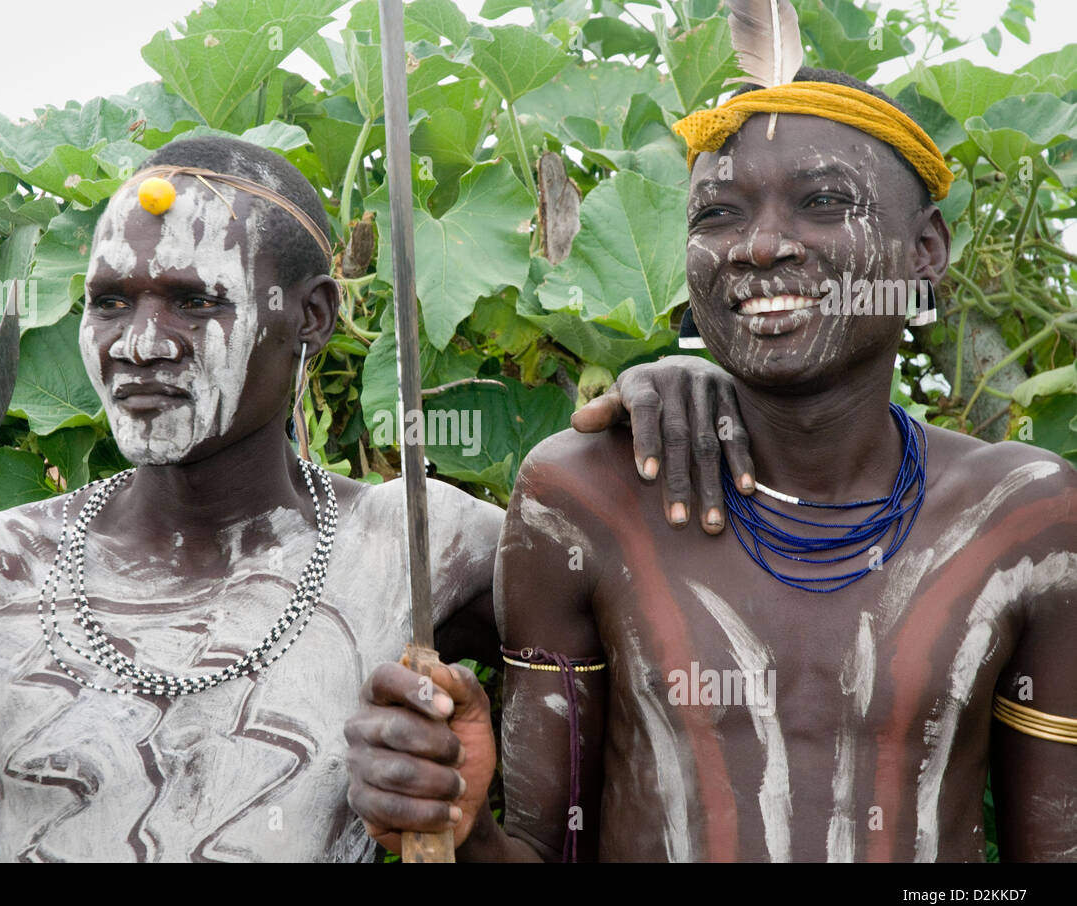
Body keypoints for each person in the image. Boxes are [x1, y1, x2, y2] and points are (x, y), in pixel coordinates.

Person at [0, 135, 745, 862]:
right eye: (110, 300)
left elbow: (692, 679)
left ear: (310, 318)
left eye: (195, 300)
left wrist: (692, 398)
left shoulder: (423, 542)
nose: (140, 341)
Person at [344, 68, 1077, 863]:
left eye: (824, 202)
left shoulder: (1022, 517)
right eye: (719, 214)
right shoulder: (584, 499)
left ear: (927, 247)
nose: (761, 244)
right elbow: (544, 852)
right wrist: (463, 824)